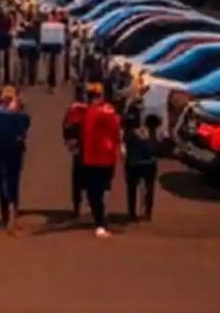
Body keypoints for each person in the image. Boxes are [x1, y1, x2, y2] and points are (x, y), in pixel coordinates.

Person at [78, 83, 122, 239]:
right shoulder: (105, 110)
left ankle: (101, 222)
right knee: (99, 190)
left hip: (96, 157)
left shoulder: (89, 111)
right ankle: (101, 221)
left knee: (96, 191)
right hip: (102, 157)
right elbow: (116, 129)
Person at [0, 86, 30, 233]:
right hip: (6, 151)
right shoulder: (6, 114)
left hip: (10, 151)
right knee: (6, 183)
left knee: (9, 182)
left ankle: (10, 214)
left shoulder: (7, 114)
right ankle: (9, 214)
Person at [124, 109, 163, 222]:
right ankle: (147, 212)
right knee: (149, 189)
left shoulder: (129, 134)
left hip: (133, 164)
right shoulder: (152, 134)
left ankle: (132, 213)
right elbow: (158, 149)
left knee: (132, 189)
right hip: (149, 164)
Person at [62, 85, 89, 218]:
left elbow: (66, 127)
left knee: (78, 178)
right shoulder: (90, 108)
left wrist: (69, 142)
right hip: (87, 146)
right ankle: (83, 204)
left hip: (80, 146)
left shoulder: (73, 109)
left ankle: (78, 205)